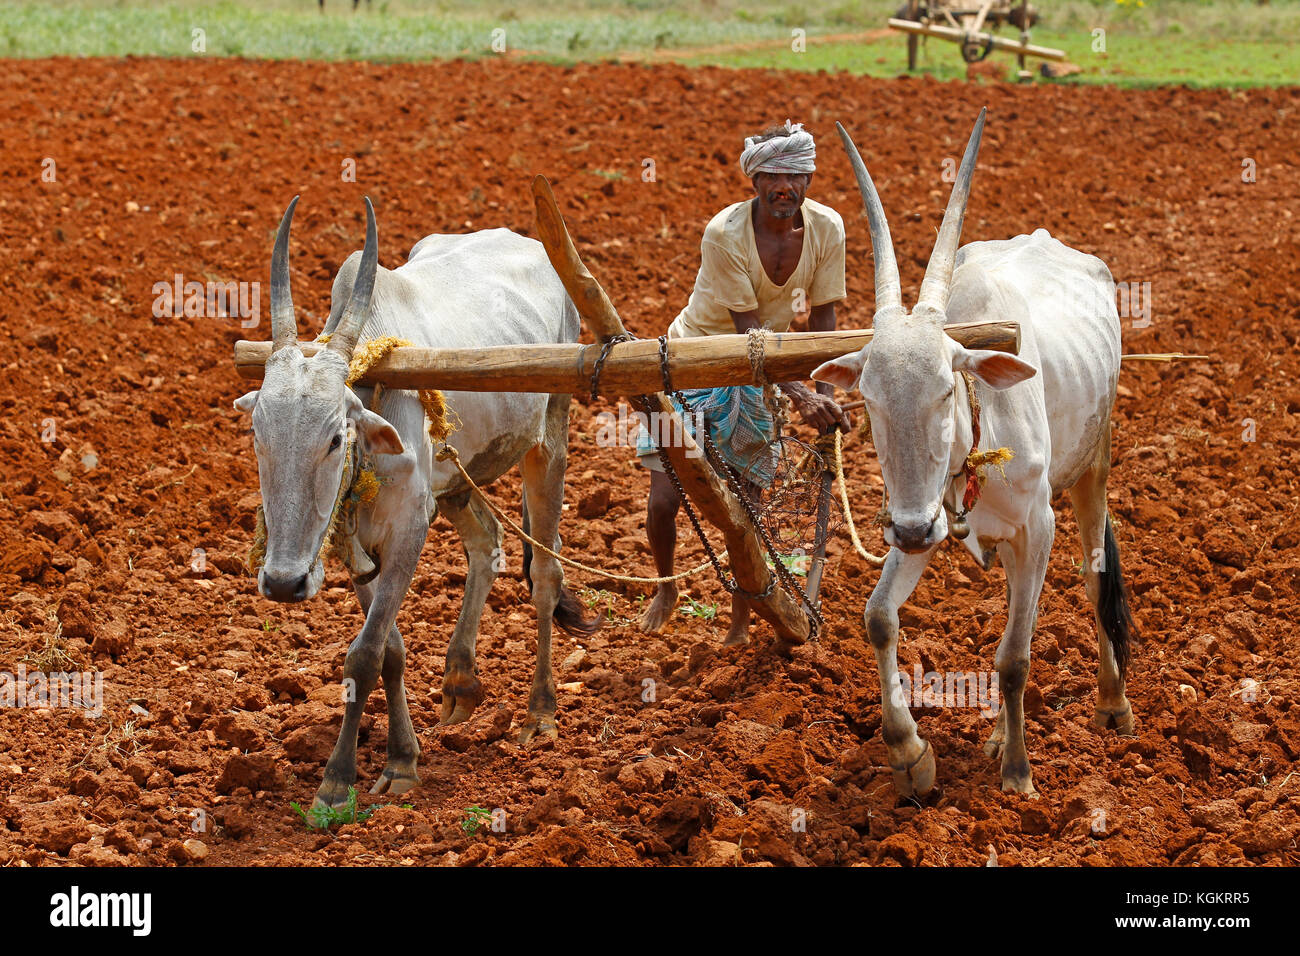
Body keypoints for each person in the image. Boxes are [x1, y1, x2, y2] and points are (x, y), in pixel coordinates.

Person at [636, 120, 850, 645]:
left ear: (810, 178)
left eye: (795, 175)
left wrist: (826, 399)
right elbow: (746, 328)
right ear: (753, 181)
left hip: (760, 369)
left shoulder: (827, 230)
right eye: (772, 175)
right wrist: (799, 396)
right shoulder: (725, 233)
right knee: (665, 500)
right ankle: (666, 585)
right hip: (694, 358)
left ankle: (739, 623)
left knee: (748, 506)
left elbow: (824, 319)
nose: (784, 186)